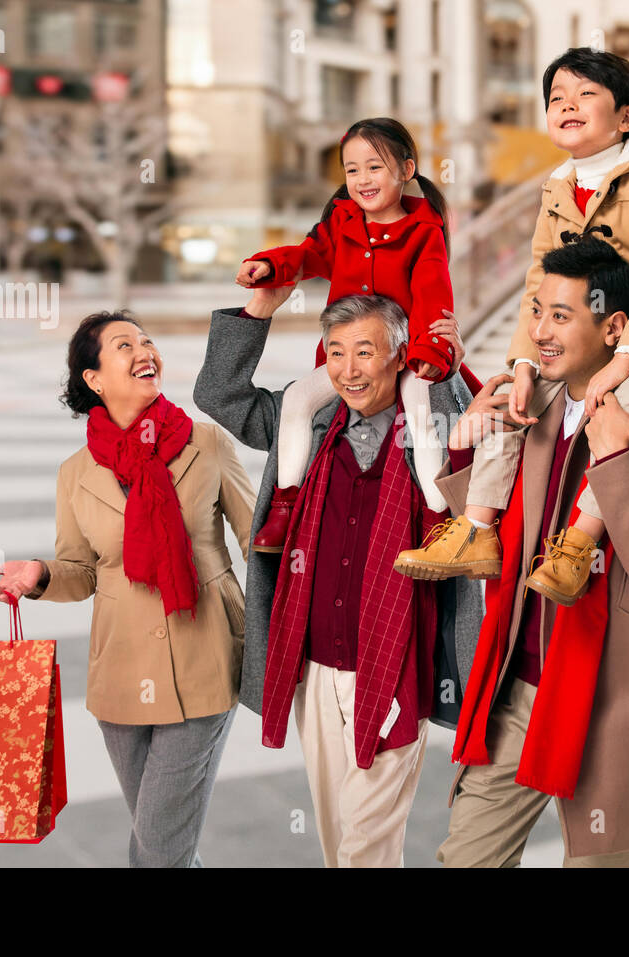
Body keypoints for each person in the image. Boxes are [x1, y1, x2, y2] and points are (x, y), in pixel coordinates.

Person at [395, 47, 629, 605]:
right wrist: (523, 363)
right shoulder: (558, 185)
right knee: (511, 400)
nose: (567, 106)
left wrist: (624, 362)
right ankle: (476, 528)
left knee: (626, 400)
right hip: (591, 340)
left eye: (586, 95)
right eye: (556, 98)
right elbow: (538, 281)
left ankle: (578, 544)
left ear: (627, 117)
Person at [432, 237, 629, 867]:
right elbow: (491, 540)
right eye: (538, 311)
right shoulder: (536, 407)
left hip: (606, 696)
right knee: (465, 858)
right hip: (517, 685)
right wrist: (472, 442)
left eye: (561, 316)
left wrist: (612, 457)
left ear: (615, 328)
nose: (540, 331)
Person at [193, 284, 483, 867]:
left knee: (365, 844)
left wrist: (449, 367)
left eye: (366, 351)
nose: (350, 370)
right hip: (314, 666)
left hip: (398, 666)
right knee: (338, 832)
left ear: (401, 355)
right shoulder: (306, 423)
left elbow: (475, 445)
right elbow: (218, 393)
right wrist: (256, 313)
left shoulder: (429, 430)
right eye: (336, 352)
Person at [0, 310, 256, 868]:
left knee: (156, 850)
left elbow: (259, 540)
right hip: (121, 673)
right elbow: (82, 571)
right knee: (166, 845)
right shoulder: (76, 473)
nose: (144, 351)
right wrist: (39, 576)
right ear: (94, 379)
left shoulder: (206, 444)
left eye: (147, 341)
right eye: (123, 345)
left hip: (204, 655)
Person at [237, 116, 481, 552]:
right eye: (352, 170)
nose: (362, 179)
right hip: (348, 359)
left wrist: (430, 351)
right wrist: (271, 266)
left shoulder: (424, 233)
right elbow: (308, 256)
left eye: (375, 167)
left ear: (406, 170)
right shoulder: (341, 222)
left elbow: (431, 296)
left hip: (402, 357)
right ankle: (285, 506)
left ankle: (437, 518)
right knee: (296, 399)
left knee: (422, 417)